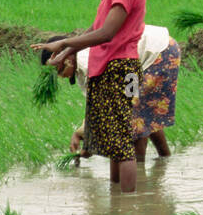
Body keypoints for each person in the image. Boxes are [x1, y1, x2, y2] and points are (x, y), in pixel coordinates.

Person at [35, 0, 146, 192]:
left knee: (122, 143)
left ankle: (127, 208)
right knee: (114, 141)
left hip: (121, 68)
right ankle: (116, 198)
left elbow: (107, 33)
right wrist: (69, 49)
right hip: (111, 67)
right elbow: (97, 25)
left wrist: (64, 42)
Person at [46, 24, 181, 164]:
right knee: (144, 113)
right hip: (147, 56)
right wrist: (81, 134)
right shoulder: (80, 68)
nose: (60, 77)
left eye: (58, 70)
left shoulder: (88, 63)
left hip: (158, 51)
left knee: (135, 119)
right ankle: (164, 160)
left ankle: (138, 175)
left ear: (66, 58)